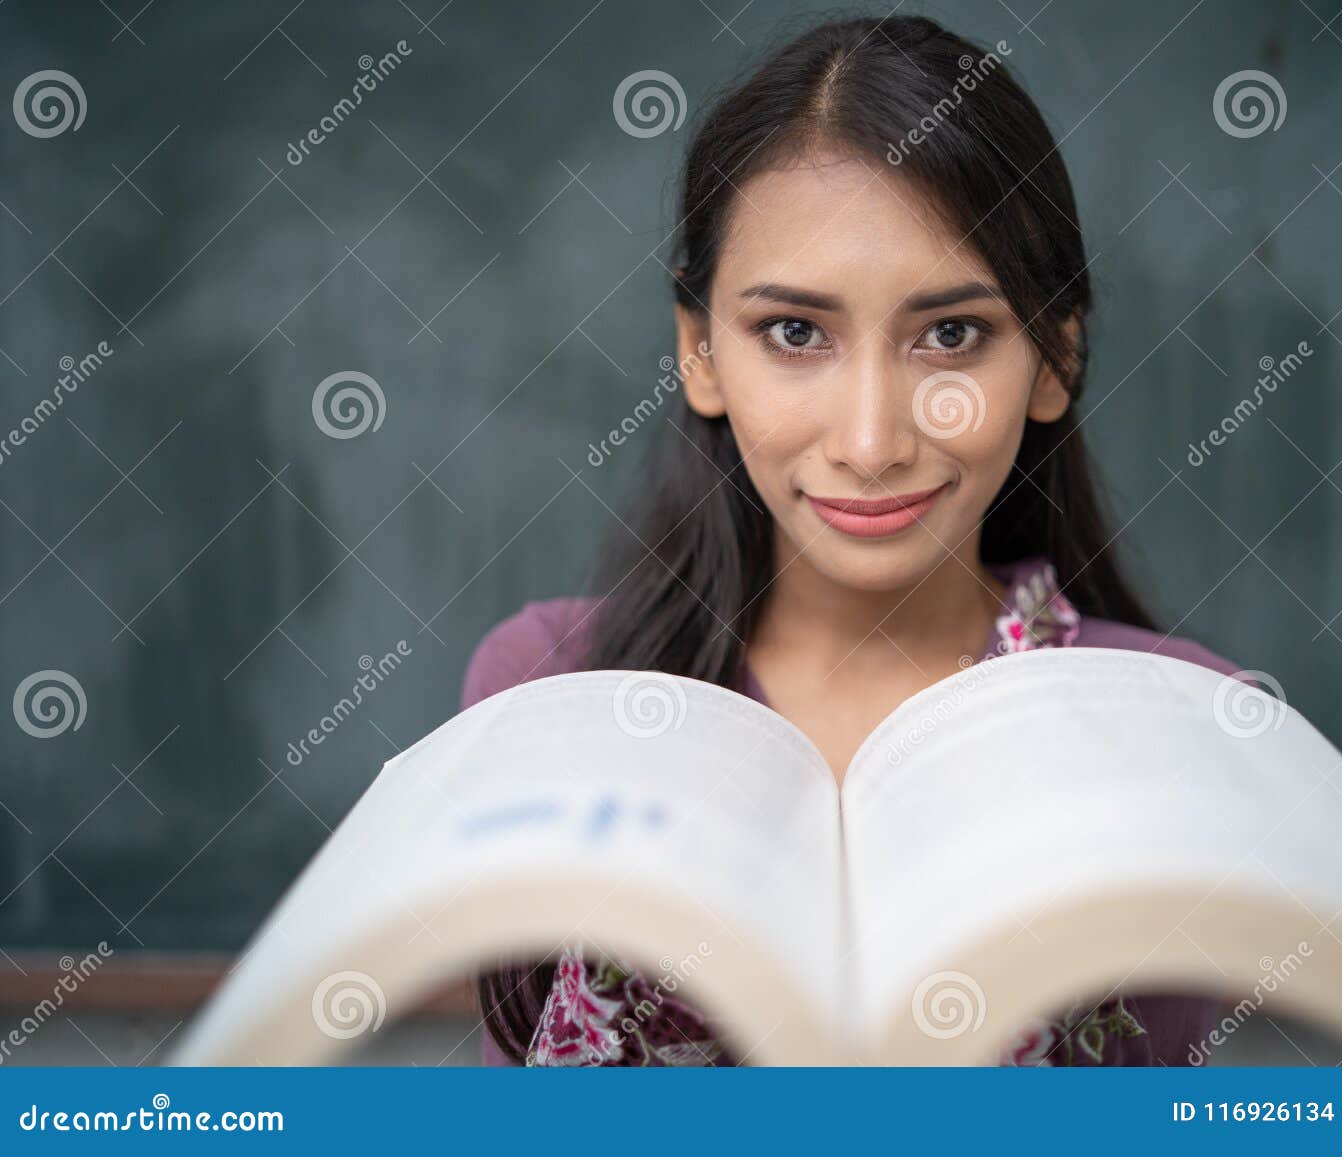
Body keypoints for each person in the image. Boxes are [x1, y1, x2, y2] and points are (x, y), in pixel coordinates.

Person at [464, 12, 1240, 1067]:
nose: (872, 440)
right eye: (794, 332)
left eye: (951, 334)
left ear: (1054, 359)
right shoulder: (545, 692)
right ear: (698, 354)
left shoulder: (1178, 730)